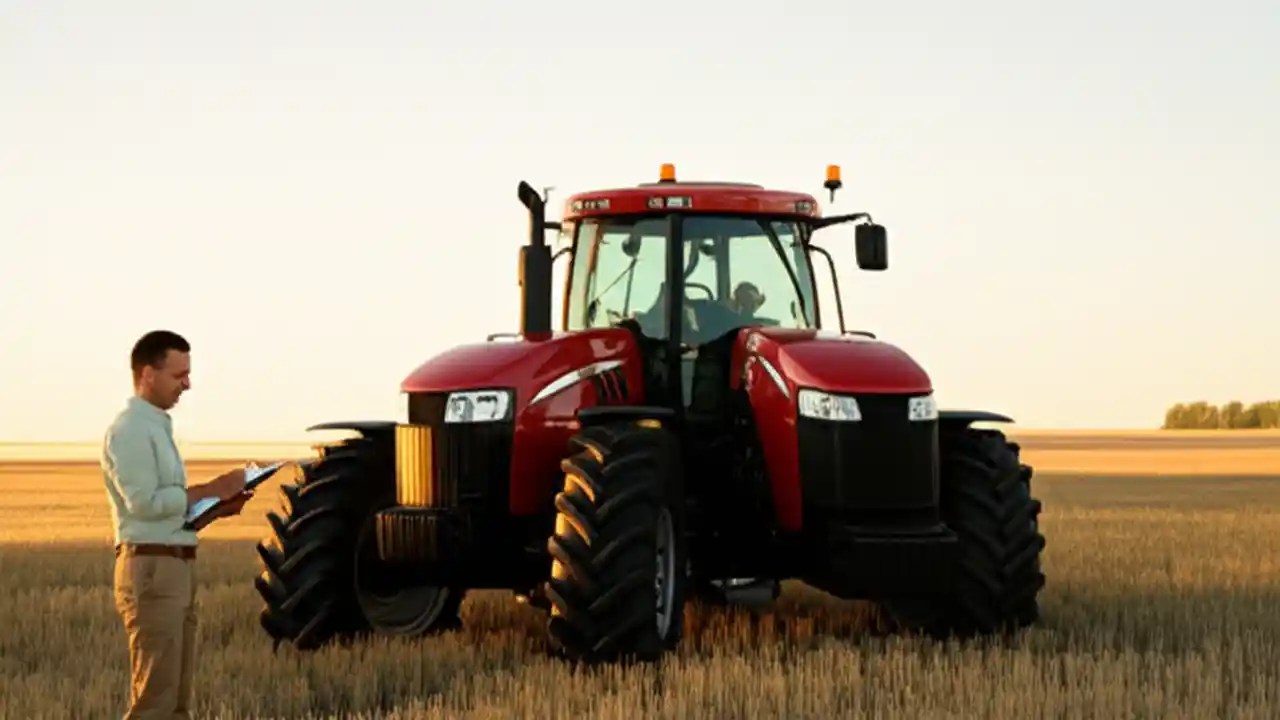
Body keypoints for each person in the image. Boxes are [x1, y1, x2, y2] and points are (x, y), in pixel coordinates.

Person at [102, 329, 252, 719]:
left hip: (173, 565)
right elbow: (145, 503)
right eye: (178, 375)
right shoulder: (130, 430)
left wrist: (217, 507)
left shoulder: (155, 426)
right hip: (152, 571)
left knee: (176, 702)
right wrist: (211, 487)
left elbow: (164, 516)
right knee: (155, 701)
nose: (187, 384)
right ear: (148, 374)